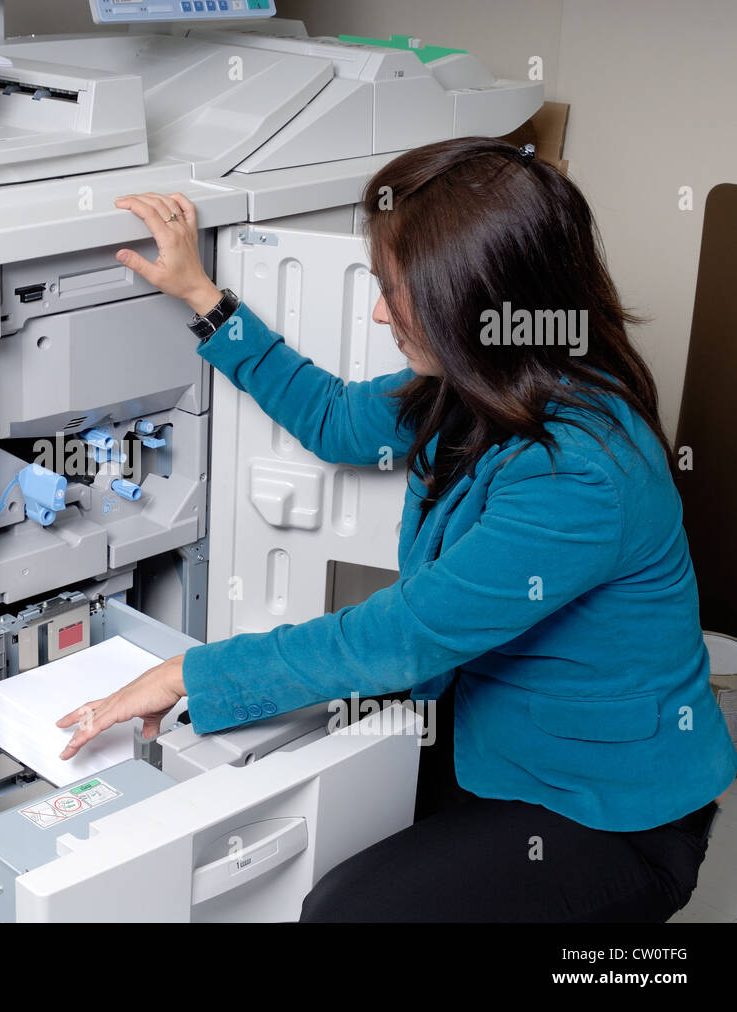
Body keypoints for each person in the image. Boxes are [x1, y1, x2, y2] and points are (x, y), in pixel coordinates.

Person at [55, 136, 737, 922]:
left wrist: (187, 674)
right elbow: (338, 420)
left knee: (348, 911)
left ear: (478, 300)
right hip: (489, 736)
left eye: (396, 289)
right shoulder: (478, 382)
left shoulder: (582, 471)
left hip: (609, 810)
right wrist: (204, 297)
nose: (378, 309)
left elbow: (404, 638)